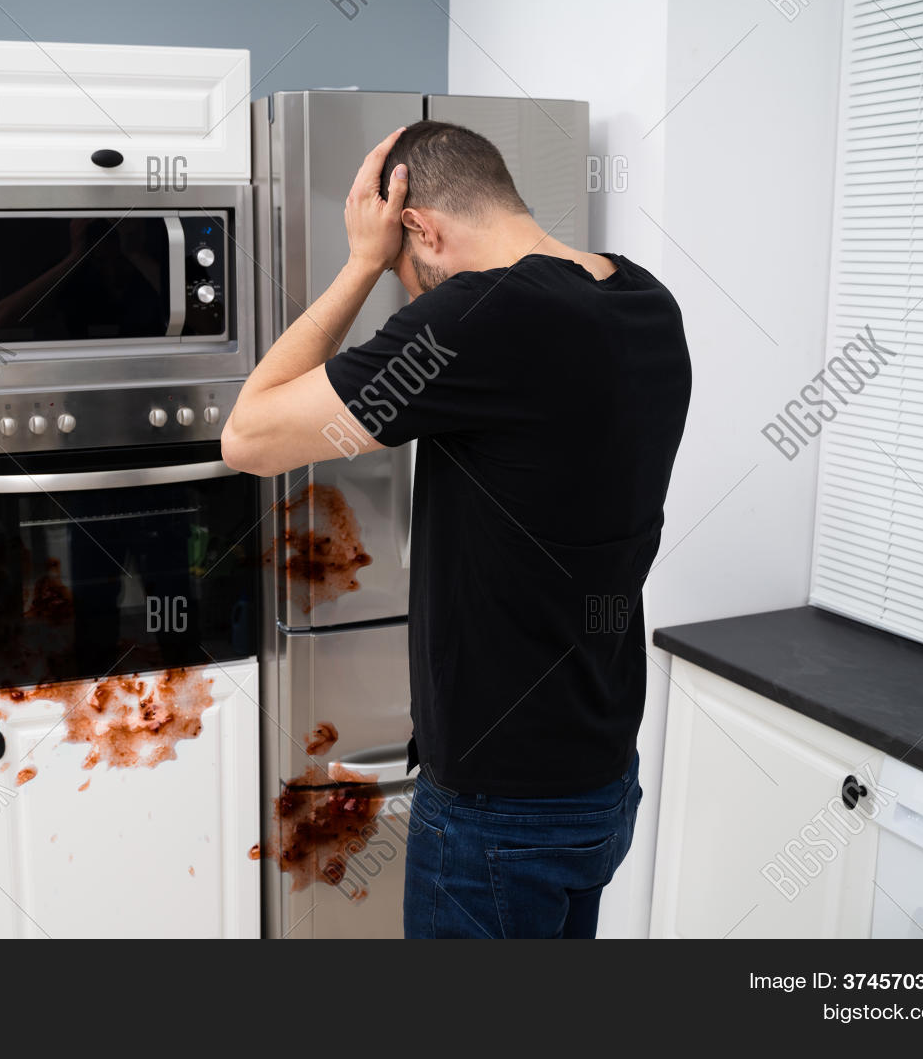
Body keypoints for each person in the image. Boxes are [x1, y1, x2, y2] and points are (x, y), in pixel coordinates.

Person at [221, 121, 691, 938]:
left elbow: (248, 435)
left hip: (497, 813)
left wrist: (361, 262)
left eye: (406, 271)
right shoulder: (646, 300)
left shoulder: (478, 321)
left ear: (421, 227)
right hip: (600, 776)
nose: (412, 296)